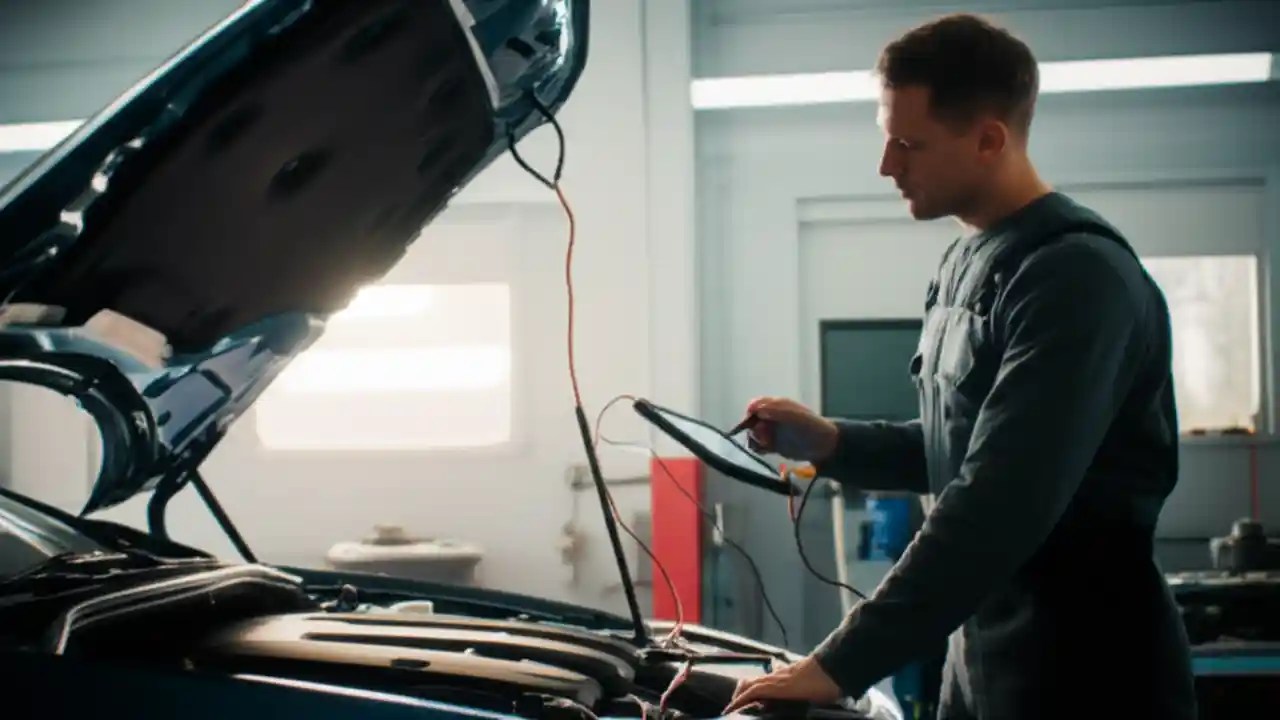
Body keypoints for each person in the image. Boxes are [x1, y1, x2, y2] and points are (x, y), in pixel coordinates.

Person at [723, 13, 1196, 720]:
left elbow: (1001, 497)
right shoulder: (966, 263)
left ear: (987, 141)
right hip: (979, 657)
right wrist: (831, 443)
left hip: (1085, 671)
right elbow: (959, 450)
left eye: (908, 143)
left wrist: (839, 664)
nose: (887, 165)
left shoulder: (1076, 277)